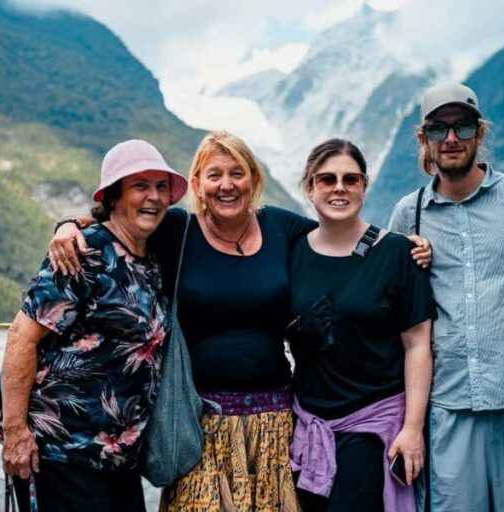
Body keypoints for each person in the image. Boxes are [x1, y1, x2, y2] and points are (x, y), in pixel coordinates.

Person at [49, 131, 433, 512]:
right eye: (215, 175)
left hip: (277, 423)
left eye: (238, 173)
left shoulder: (281, 228)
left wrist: (406, 246)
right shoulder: (177, 231)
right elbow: (123, 222)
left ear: (254, 179)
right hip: (202, 426)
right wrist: (70, 225)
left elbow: (338, 232)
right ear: (197, 184)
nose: (227, 185)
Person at [388, 83, 504, 511]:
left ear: (479, 133)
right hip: (446, 411)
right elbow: (388, 306)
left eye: (462, 126)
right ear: (423, 140)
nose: (451, 139)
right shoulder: (407, 214)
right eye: (438, 130)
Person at [0, 139, 189, 511]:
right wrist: (15, 433)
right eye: (140, 186)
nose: (154, 197)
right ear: (113, 195)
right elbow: (22, 335)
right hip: (60, 451)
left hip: (116, 457)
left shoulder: (151, 255)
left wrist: (70, 220)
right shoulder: (84, 253)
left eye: (161, 187)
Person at [286, 139, 436, 512]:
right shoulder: (292, 252)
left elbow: (418, 345)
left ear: (364, 187)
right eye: (327, 179)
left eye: (351, 179)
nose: (339, 188)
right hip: (307, 427)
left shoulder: (399, 254)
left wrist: (413, 428)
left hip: (372, 428)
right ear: (310, 187)